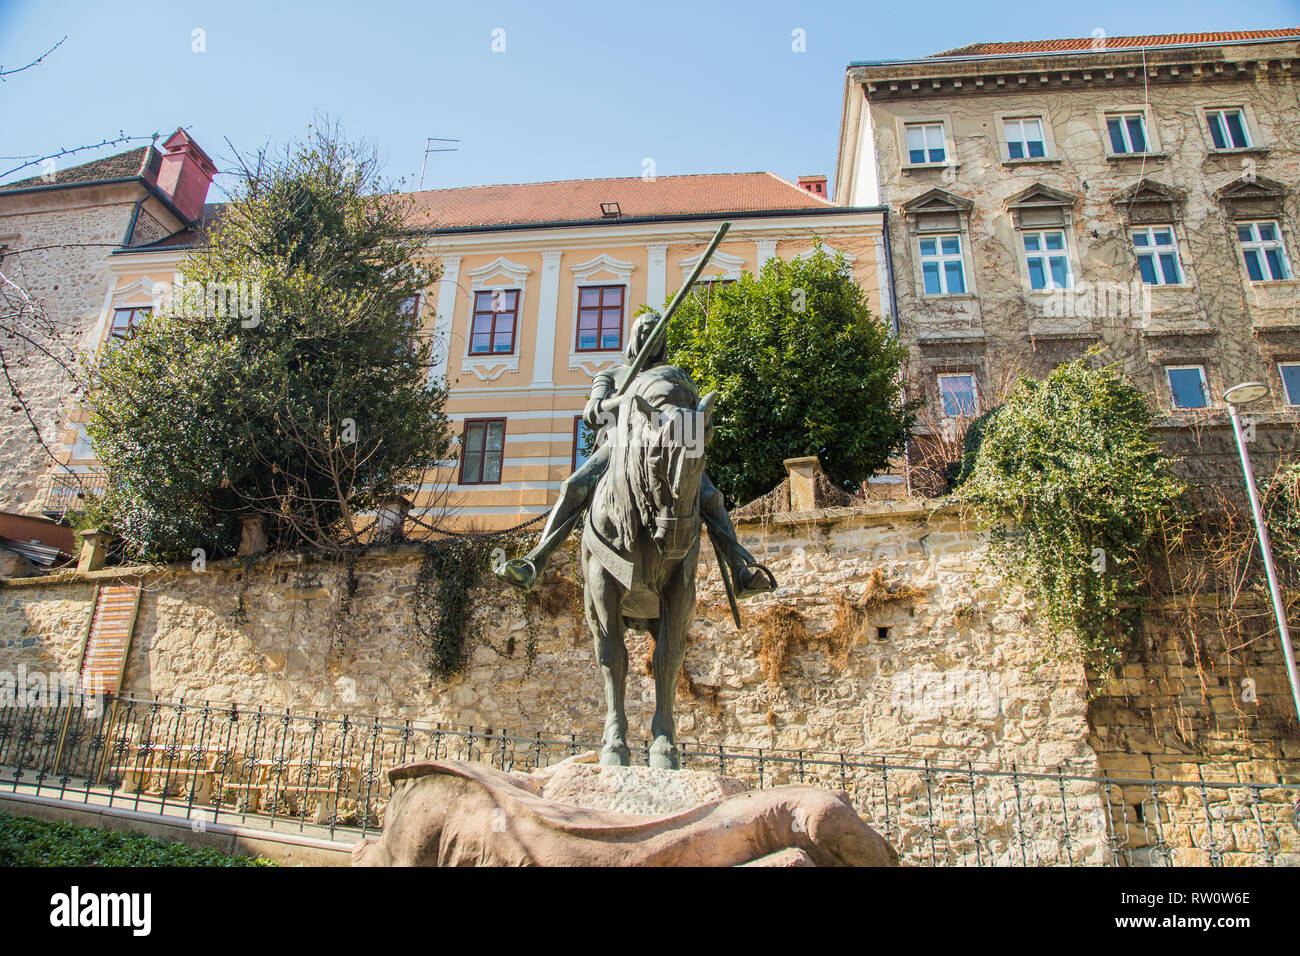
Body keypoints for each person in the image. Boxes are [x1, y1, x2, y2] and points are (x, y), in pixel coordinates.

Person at [496, 311, 774, 599]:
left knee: (709, 495)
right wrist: (627, 401)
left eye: (656, 333)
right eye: (644, 331)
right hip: (621, 443)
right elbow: (592, 413)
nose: (649, 337)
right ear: (634, 336)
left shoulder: (673, 376)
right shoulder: (612, 375)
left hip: (665, 442)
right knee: (573, 486)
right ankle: (535, 562)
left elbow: (691, 419)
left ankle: (741, 569)